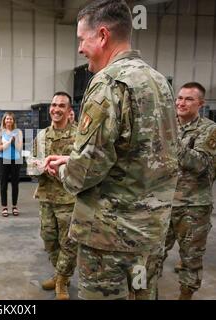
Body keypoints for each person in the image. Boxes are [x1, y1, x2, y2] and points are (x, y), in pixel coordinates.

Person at [44, 0, 178, 300]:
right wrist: (74, 156)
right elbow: (150, 152)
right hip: (150, 234)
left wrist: (64, 168)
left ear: (102, 35)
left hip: (109, 238)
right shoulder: (159, 82)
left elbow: (85, 172)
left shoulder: (108, 82)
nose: (80, 48)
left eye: (82, 39)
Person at [158, 82, 216, 299]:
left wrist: (171, 141)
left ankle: (185, 296)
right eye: (179, 98)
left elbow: (201, 163)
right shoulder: (169, 125)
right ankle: (144, 291)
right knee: (151, 255)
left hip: (193, 206)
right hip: (163, 203)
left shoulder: (209, 129)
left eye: (188, 99)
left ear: (200, 104)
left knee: (190, 260)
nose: (181, 103)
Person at [27, 91, 77, 300]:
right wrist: (37, 167)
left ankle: (62, 281)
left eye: (61, 106)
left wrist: (61, 170)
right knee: (48, 239)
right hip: (47, 197)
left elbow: (83, 169)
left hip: (69, 199)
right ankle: (59, 274)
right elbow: (30, 165)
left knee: (68, 243)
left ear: (69, 111)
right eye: (54, 105)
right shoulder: (42, 136)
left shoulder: (79, 136)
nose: (56, 109)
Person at [0, 112, 23, 217]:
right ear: (4, 120)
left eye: (11, 119)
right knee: (3, 184)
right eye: (7, 119)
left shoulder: (18, 132)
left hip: (15, 160)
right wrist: (9, 141)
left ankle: (14, 206)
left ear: (13, 121)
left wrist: (14, 141)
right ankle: (4, 207)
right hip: (4, 160)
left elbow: (19, 148)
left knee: (15, 184)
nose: (9, 121)